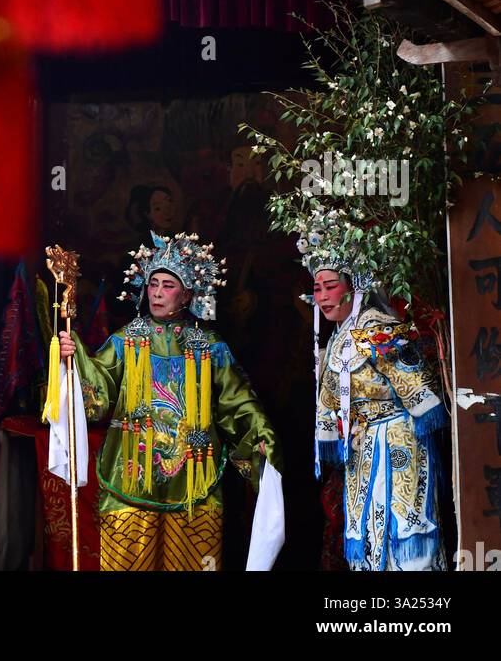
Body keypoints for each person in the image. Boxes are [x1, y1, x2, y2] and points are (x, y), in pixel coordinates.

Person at [59, 230, 281, 571]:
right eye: (153, 284)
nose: (157, 293)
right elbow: (96, 396)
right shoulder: (124, 342)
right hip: (130, 482)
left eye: (168, 285)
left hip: (195, 485)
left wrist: (261, 437)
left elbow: (237, 404)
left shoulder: (209, 348)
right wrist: (74, 361)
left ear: (188, 295)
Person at [300, 228, 447, 571]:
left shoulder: (375, 327)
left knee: (405, 527)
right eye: (317, 288)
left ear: (354, 286)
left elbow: (416, 388)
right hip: (363, 447)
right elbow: (328, 400)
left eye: (330, 286)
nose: (322, 296)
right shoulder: (337, 339)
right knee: (367, 532)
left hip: (399, 440)